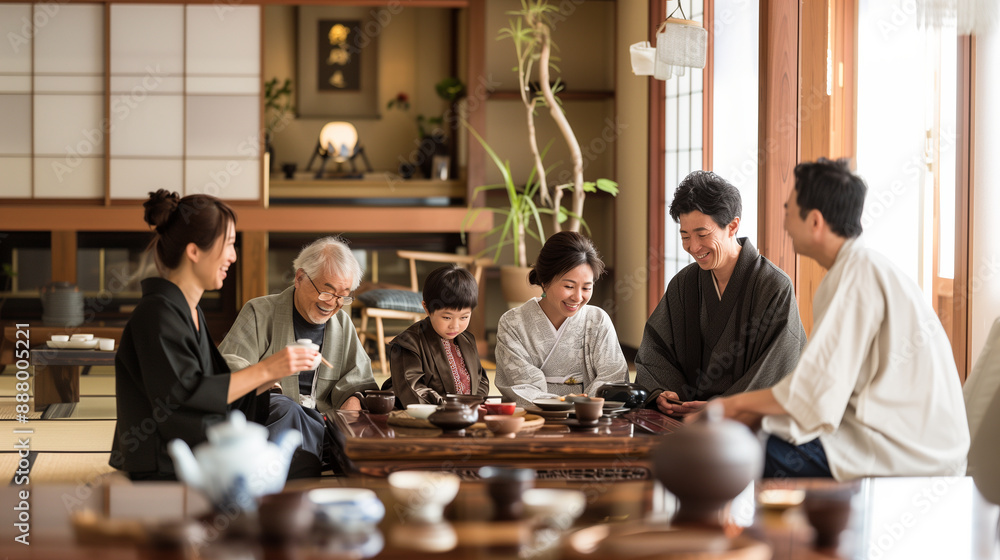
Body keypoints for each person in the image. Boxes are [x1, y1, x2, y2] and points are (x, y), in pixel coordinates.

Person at [699, 158, 969, 480]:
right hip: (894, 432)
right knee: (760, 432)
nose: (784, 222)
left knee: (763, 451)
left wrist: (728, 407)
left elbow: (813, 391)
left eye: (788, 210)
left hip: (906, 447)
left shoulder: (857, 274)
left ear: (814, 221)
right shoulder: (859, 267)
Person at [111, 190, 319, 480]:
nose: (233, 256)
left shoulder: (188, 310)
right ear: (194, 251)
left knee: (305, 450)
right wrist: (268, 368)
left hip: (194, 450)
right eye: (229, 244)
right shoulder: (157, 314)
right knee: (298, 463)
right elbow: (186, 396)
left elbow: (211, 392)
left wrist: (269, 377)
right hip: (167, 462)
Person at [635, 171, 806, 417]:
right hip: (685, 416)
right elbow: (656, 348)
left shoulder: (773, 285)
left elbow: (779, 366)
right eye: (685, 236)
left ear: (732, 226)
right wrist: (663, 392)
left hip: (744, 424)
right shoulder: (685, 283)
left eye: (702, 234)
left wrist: (724, 407)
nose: (693, 247)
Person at [219, 236, 378, 473]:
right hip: (272, 424)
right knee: (285, 409)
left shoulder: (343, 323)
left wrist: (351, 407)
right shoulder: (259, 311)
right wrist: (269, 381)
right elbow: (229, 366)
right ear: (300, 278)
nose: (334, 303)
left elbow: (359, 380)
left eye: (343, 296)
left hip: (323, 427)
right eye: (327, 291)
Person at [494, 231, 628, 406]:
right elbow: (520, 386)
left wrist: (584, 404)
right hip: (533, 418)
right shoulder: (513, 323)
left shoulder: (597, 320)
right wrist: (567, 403)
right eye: (569, 286)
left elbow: (613, 376)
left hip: (589, 419)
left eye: (587, 288)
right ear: (545, 280)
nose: (578, 297)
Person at [389, 265, 490, 406]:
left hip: (466, 417)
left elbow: (481, 380)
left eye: (464, 317)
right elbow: (412, 389)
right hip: (424, 420)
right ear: (427, 308)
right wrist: (450, 407)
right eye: (447, 317)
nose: (455, 326)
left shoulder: (467, 340)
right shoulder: (408, 344)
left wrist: (475, 404)